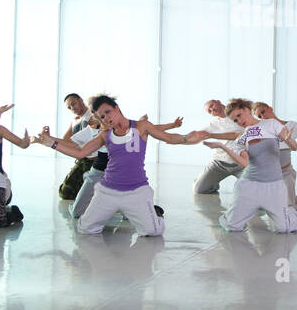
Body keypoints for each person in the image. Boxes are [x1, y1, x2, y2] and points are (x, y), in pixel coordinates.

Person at [37, 94, 207, 236]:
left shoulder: (141, 126)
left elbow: (169, 138)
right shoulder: (104, 135)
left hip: (136, 190)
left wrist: (187, 138)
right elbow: (80, 152)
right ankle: (120, 211)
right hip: (108, 190)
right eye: (102, 116)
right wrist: (51, 144)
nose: (106, 118)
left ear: (117, 108)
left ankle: (149, 214)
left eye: (108, 112)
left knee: (152, 231)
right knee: (84, 228)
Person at [204, 99, 297, 233]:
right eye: (235, 121)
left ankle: (288, 211)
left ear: (246, 109)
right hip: (249, 185)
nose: (239, 121)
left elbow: (294, 147)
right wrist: (222, 146)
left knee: (284, 228)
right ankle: (230, 215)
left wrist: (288, 139)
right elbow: (245, 163)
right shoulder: (243, 136)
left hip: (274, 185)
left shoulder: (272, 124)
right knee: (233, 227)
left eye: (239, 115)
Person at [193, 98, 244, 194]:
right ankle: (212, 183)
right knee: (198, 189)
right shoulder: (213, 123)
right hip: (220, 162)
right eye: (209, 111)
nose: (212, 110)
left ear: (218, 101)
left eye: (212, 105)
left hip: (242, 163)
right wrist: (182, 138)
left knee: (247, 191)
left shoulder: (240, 116)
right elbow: (197, 135)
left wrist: (211, 135)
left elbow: (236, 135)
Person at [58, 92, 93, 200]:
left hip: (96, 159)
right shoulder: (75, 121)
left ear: (81, 100)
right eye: (69, 107)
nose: (72, 108)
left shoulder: (93, 115)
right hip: (82, 159)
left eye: (74, 104)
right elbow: (65, 141)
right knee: (64, 192)